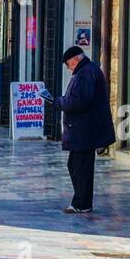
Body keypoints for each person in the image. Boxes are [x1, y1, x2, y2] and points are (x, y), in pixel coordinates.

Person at [43, 46, 116, 214]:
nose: (68, 69)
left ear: (75, 60)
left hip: (84, 129)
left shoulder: (86, 74)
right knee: (75, 165)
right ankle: (81, 201)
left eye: (68, 65)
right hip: (81, 129)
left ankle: (82, 203)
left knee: (80, 167)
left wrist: (58, 102)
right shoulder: (86, 71)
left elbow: (79, 101)